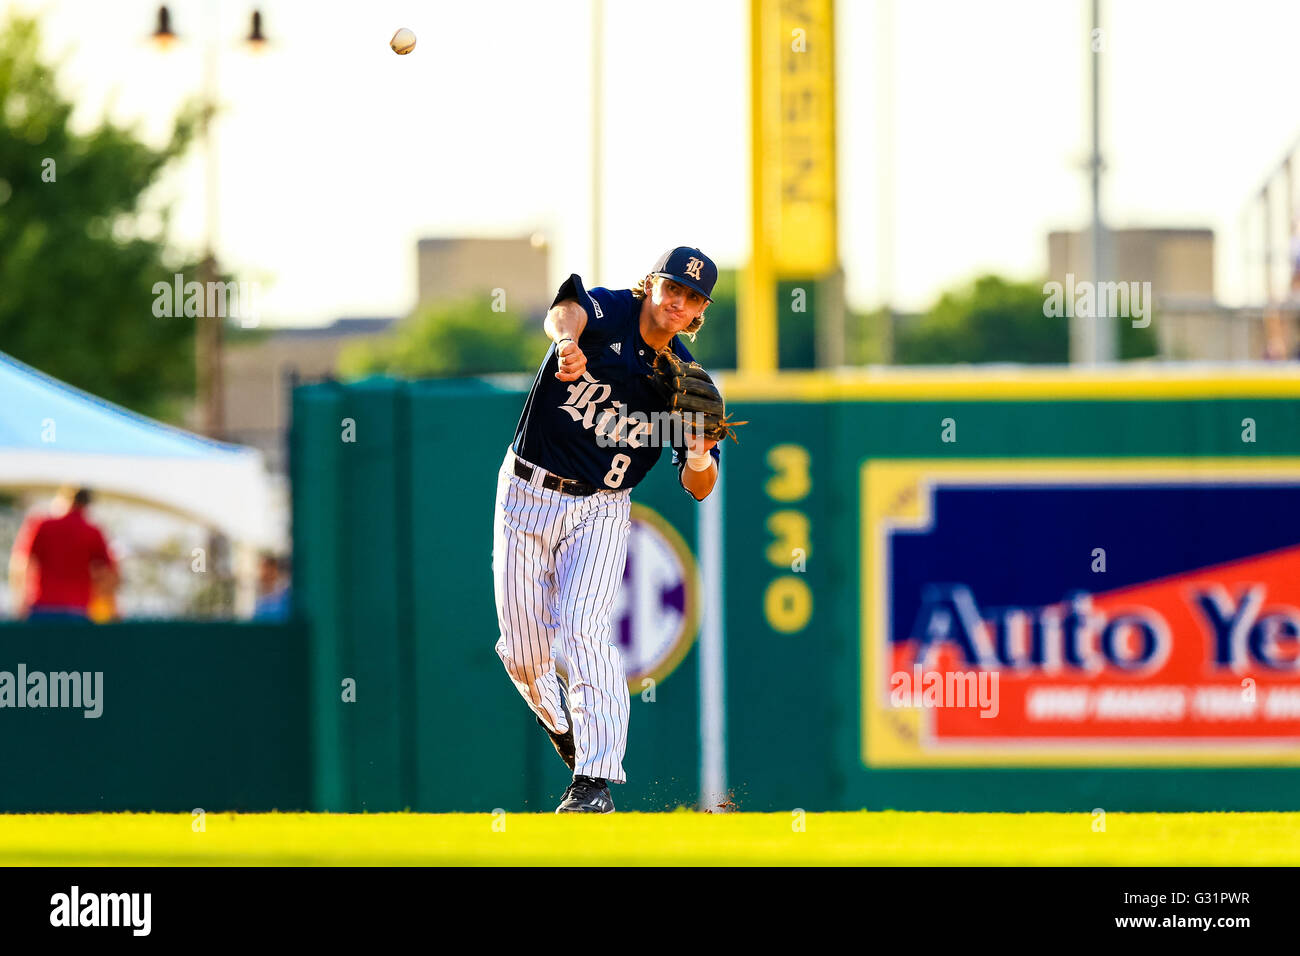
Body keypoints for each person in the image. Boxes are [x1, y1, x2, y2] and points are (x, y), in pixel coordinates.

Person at [494, 246, 722, 813]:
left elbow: (702, 486)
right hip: (526, 490)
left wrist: (697, 456)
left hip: (601, 507)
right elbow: (564, 308)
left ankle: (594, 780)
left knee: (584, 630)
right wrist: (567, 344)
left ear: (699, 312)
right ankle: (561, 725)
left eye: (693, 298)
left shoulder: (683, 378)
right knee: (523, 655)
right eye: (673, 287)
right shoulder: (609, 312)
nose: (679, 302)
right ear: (652, 285)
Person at [9, 487, 118, 621]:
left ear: (62, 500)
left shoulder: (42, 525)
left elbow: (21, 563)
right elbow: (109, 573)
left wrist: (19, 601)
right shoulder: (93, 531)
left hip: (41, 606)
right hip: (78, 609)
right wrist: (109, 605)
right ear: (87, 505)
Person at [253, 552, 292, 621]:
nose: (263, 574)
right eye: (261, 569)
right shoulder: (260, 600)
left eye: (266, 569)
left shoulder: (285, 595)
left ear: (275, 570)